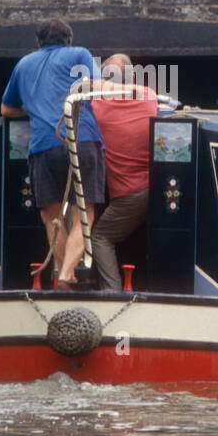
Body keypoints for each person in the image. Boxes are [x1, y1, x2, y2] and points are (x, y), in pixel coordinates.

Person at [0, 19, 105, 287]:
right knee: (83, 213)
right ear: (68, 40)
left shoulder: (23, 64)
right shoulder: (79, 53)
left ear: (37, 42)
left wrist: (30, 109)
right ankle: (69, 273)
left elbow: (5, 109)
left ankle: (62, 277)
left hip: (44, 146)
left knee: (52, 217)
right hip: (82, 140)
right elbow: (97, 87)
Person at [88, 54, 158, 291]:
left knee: (99, 237)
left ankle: (112, 292)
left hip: (129, 195)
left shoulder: (96, 106)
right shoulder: (149, 95)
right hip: (154, 188)